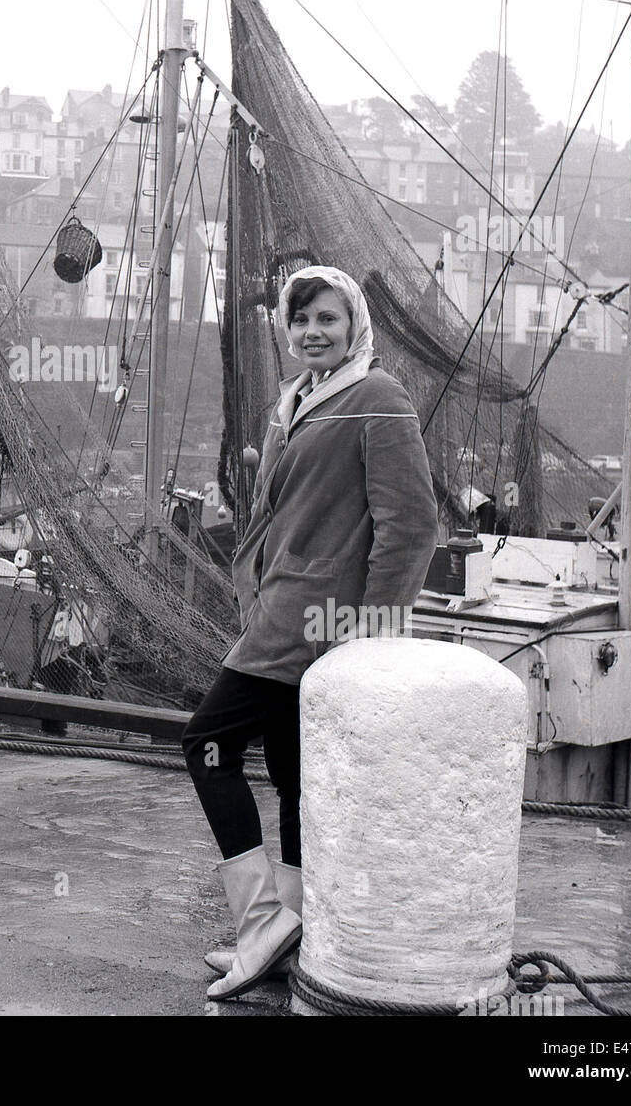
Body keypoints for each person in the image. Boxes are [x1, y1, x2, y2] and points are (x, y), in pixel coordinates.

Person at [183, 265, 438, 1000]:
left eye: (327, 317)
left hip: (318, 622)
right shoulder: (292, 400)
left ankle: (261, 921)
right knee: (298, 779)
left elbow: (411, 523)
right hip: (278, 609)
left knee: (206, 745)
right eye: (300, 322)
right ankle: (296, 926)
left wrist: (369, 632)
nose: (312, 332)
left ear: (354, 321)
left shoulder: (378, 397)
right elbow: (270, 514)